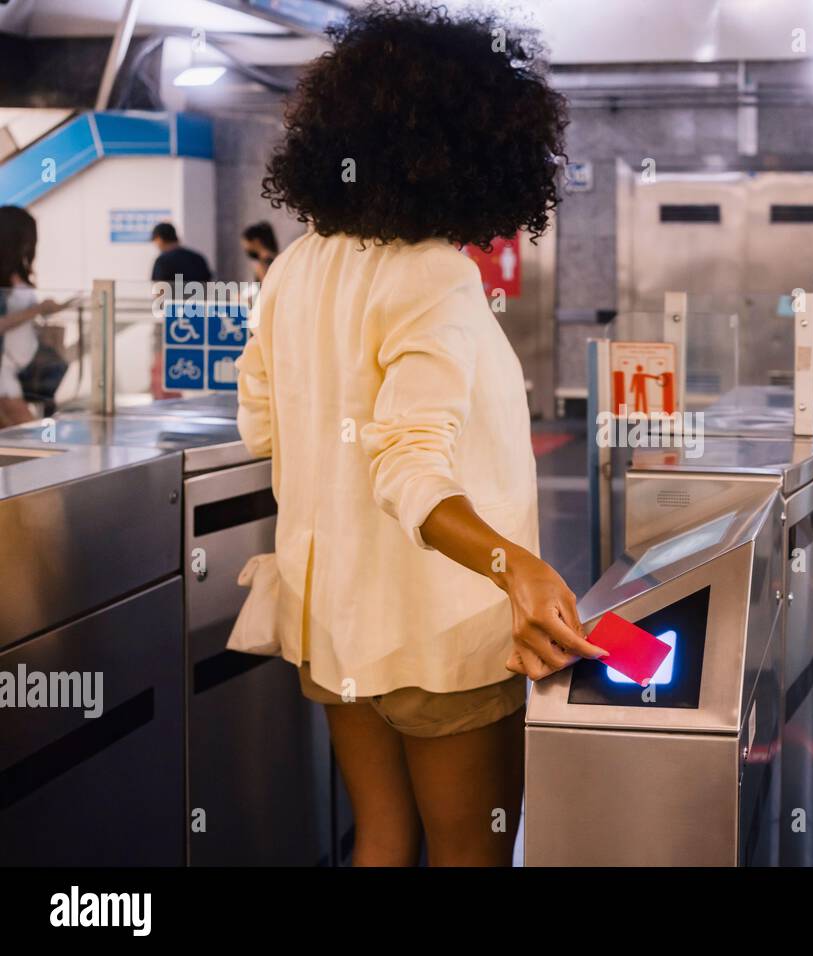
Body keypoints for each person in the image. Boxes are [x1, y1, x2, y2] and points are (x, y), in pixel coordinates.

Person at [237, 2, 600, 867]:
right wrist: (521, 568)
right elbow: (405, 457)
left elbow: (260, 424)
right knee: (470, 853)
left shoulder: (296, 264)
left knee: (383, 839)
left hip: (334, 621)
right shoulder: (434, 272)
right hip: (442, 633)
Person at [0, 206, 72, 426]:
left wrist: (47, 311)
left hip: (20, 367)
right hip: (4, 370)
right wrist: (38, 309)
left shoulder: (15, 274)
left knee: (19, 438)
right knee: (27, 436)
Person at [149, 221, 212, 290]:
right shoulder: (198, 258)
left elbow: (160, 290)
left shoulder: (162, 261)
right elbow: (207, 286)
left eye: (155, 241)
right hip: (197, 300)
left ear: (159, 239)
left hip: (172, 300)